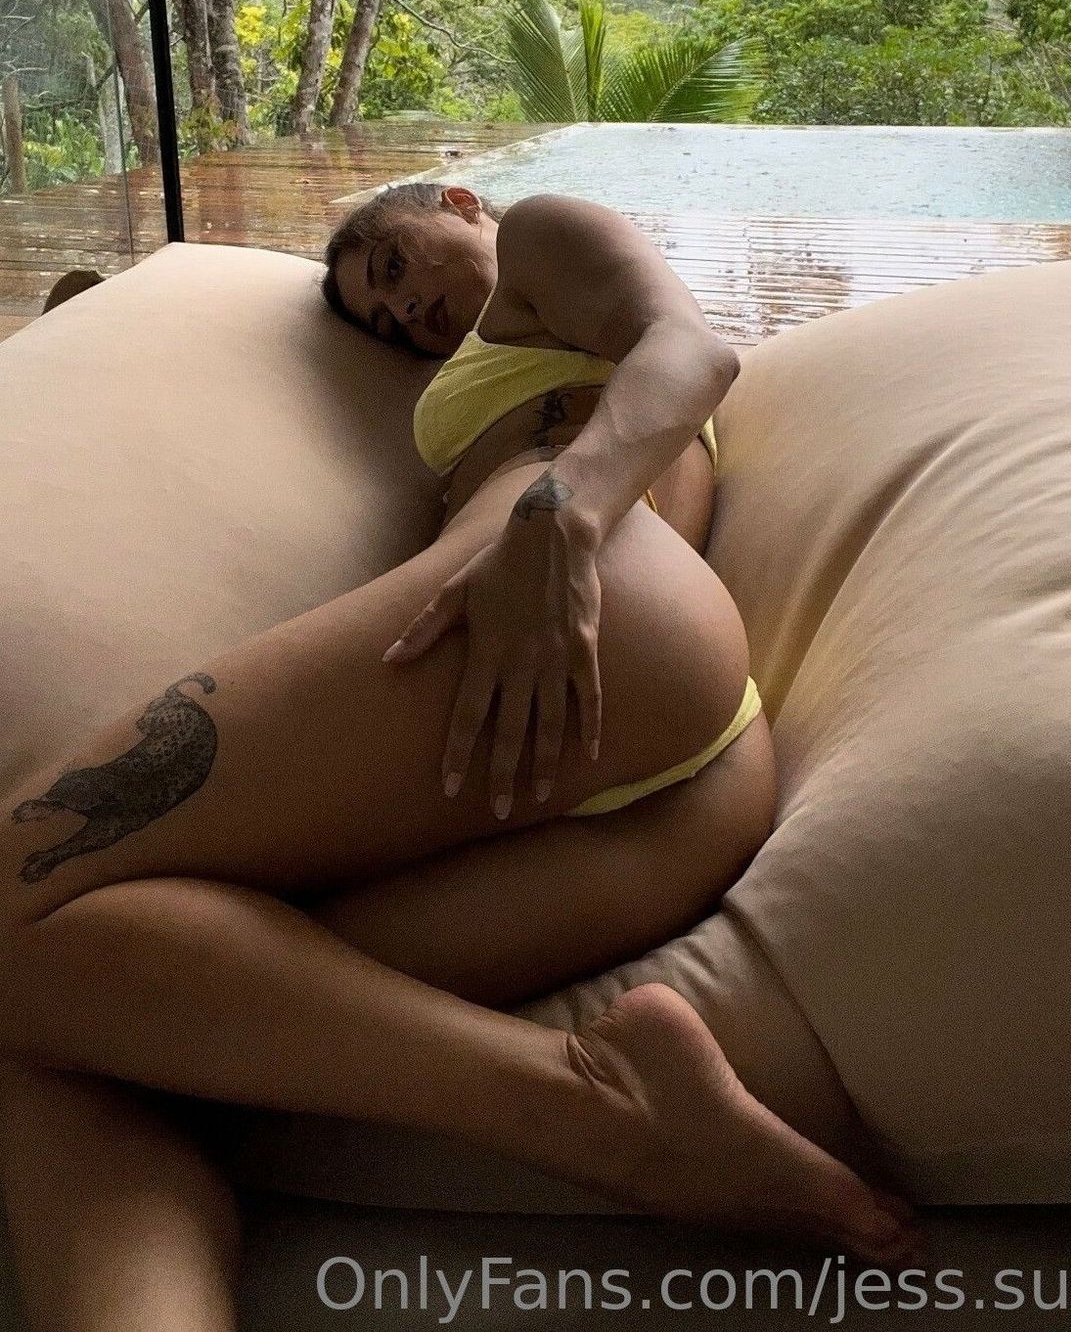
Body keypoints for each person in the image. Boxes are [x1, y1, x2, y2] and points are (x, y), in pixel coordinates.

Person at [0, 184, 924, 1331]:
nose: (403, 311)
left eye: (394, 267)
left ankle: (589, 1111)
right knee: (110, 1029)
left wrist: (561, 510)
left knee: (19, 884)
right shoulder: (484, 361)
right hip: (679, 782)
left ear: (457, 200)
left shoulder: (541, 233)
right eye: (379, 319)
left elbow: (692, 349)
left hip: (584, 605)